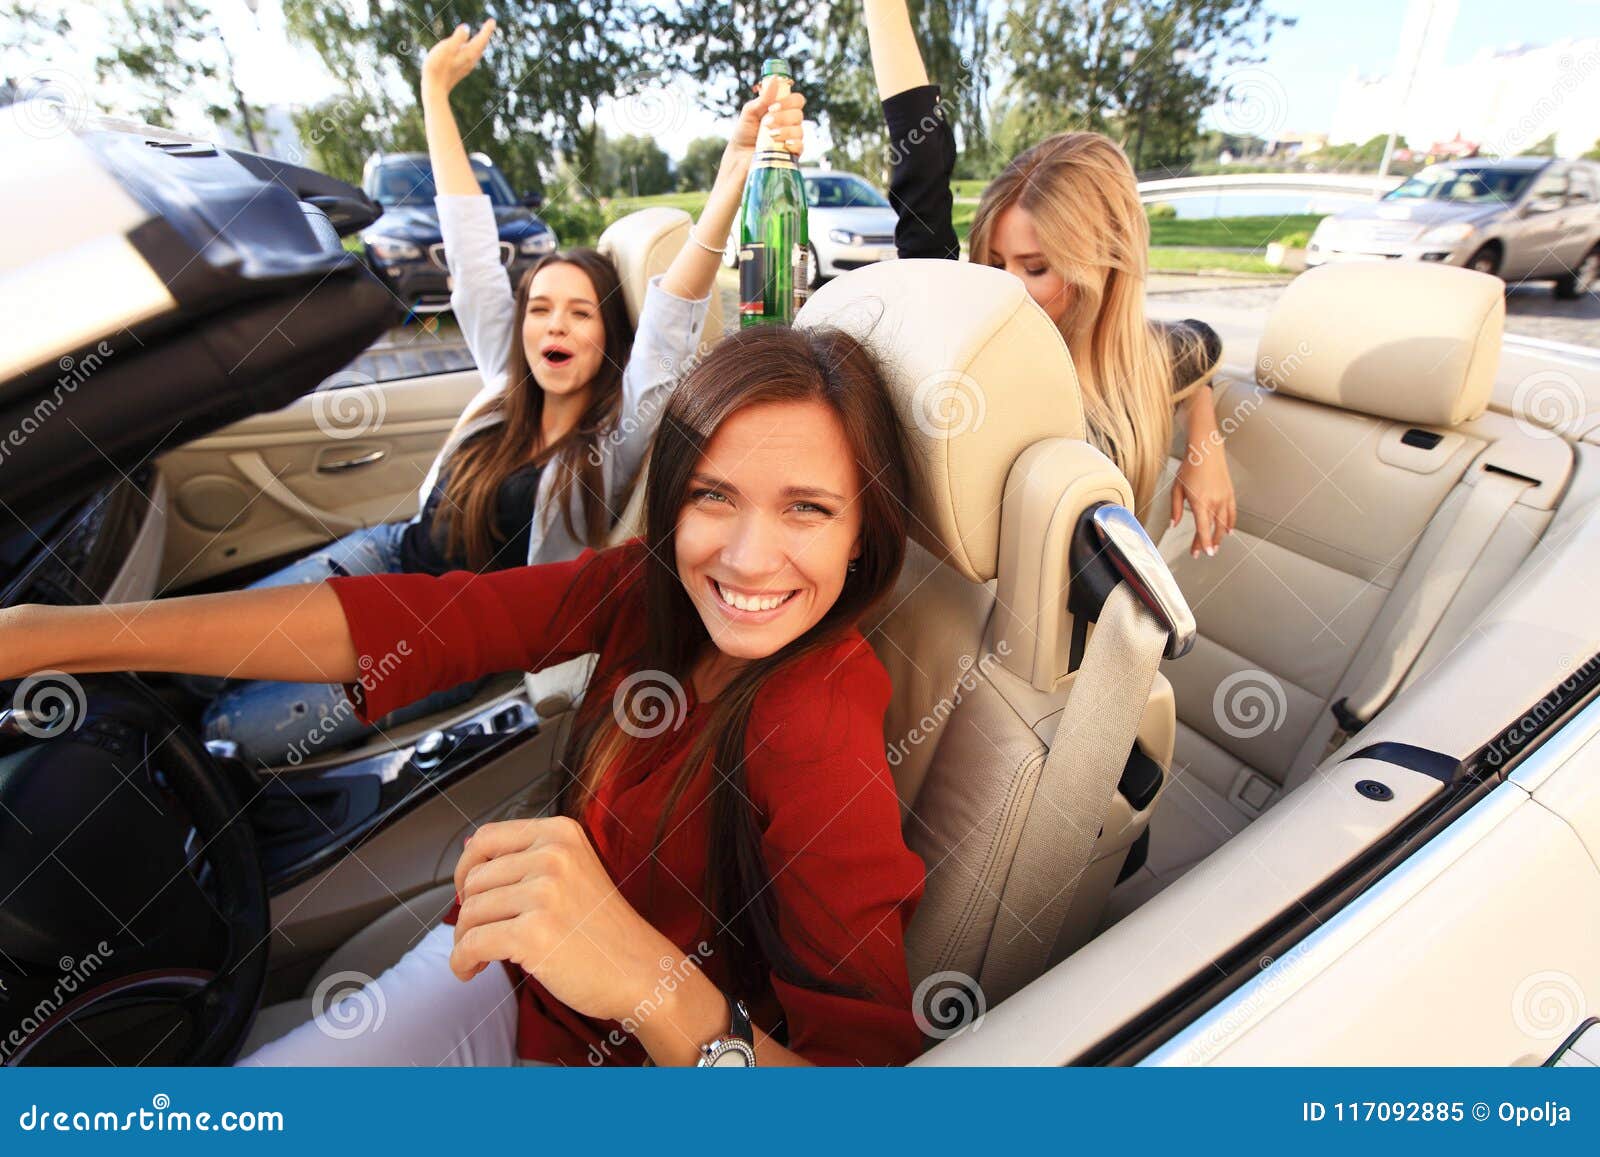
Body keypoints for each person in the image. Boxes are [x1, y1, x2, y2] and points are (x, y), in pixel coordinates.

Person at [0, 323, 927, 1067]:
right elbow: (428, 619)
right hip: (511, 972)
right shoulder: (648, 590)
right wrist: (62, 634)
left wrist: (648, 978)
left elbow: (862, 1105)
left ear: (863, 533)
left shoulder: (817, 718)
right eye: (713, 496)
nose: (748, 557)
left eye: (807, 506)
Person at [200, 21, 808, 766]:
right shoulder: (503, 377)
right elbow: (470, 250)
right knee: (188, 656)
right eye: (540, 307)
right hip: (380, 556)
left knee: (227, 732)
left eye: (580, 312)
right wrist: (435, 93)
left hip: (441, 632)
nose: (554, 323)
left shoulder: (613, 444)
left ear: (608, 336)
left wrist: (734, 175)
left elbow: (669, 326)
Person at [864, 0, 1235, 556]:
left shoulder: (1149, 360)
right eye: (994, 263)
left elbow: (1200, 346)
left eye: (1035, 267)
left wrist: (1205, 442)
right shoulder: (972, 335)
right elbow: (921, 169)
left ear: (1103, 269)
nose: (1008, 286)